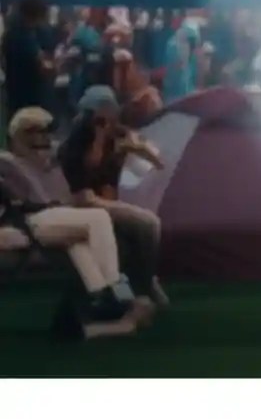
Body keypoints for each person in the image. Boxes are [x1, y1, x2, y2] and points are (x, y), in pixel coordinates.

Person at [0, 106, 149, 335]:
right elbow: (24, 198)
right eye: (35, 131)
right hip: (34, 219)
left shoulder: (52, 161)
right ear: (20, 134)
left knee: (80, 243)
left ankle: (100, 297)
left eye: (46, 131)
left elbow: (66, 195)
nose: (43, 137)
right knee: (98, 218)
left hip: (59, 216)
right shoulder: (7, 162)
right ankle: (115, 292)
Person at [57, 85, 169, 308]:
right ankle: (138, 287)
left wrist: (139, 149)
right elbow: (88, 169)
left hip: (107, 202)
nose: (108, 119)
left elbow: (154, 164)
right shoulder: (75, 144)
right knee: (146, 224)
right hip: (84, 201)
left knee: (135, 235)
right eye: (101, 114)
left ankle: (140, 284)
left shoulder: (120, 136)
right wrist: (100, 136)